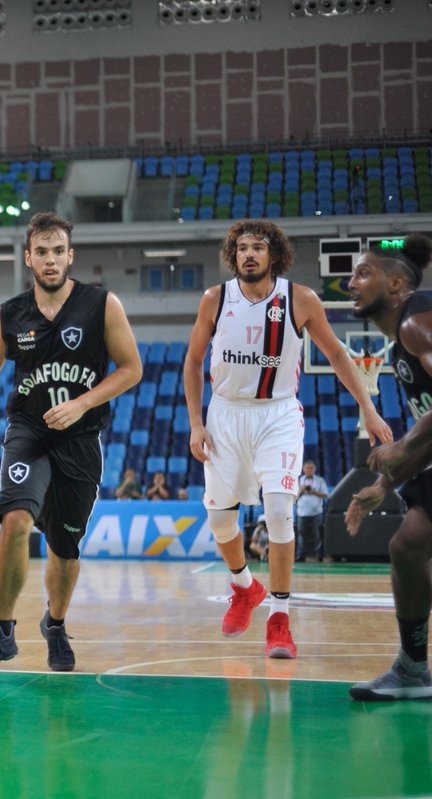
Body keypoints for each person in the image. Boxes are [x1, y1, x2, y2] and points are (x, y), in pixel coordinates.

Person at [183, 220, 391, 661]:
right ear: (233, 255)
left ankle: (279, 618)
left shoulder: (300, 299)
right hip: (224, 414)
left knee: (279, 510)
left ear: (273, 254)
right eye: (242, 248)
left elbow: (336, 354)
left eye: (258, 247)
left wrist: (368, 409)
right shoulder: (215, 300)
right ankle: (244, 588)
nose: (249, 254)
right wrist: (196, 423)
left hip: (277, 413)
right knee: (221, 522)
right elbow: (194, 359)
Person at [0, 212, 142, 675]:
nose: (50, 259)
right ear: (28, 257)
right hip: (29, 432)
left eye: (59, 251)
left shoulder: (102, 304)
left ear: (70, 256)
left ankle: (54, 624)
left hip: (81, 437)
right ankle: (1, 633)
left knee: (64, 548)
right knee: (14, 519)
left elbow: (131, 369)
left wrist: (83, 403)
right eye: (42, 251)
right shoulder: (9, 314)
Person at [342, 233, 432, 701]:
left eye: (362, 274)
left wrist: (406, 443)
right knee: (408, 546)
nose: (349, 283)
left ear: (396, 284)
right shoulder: (402, 345)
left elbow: (422, 434)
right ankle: (414, 670)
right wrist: (384, 483)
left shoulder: (419, 321)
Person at [294, 460, 328, 562]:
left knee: (317, 534)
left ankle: (319, 556)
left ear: (314, 470)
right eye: (307, 468)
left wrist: (313, 491)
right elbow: (293, 496)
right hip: (302, 512)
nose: (309, 470)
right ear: (303, 469)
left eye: (311, 468)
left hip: (316, 512)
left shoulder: (320, 480)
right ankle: (300, 556)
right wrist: (301, 490)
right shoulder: (299, 480)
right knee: (301, 534)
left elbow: (325, 495)